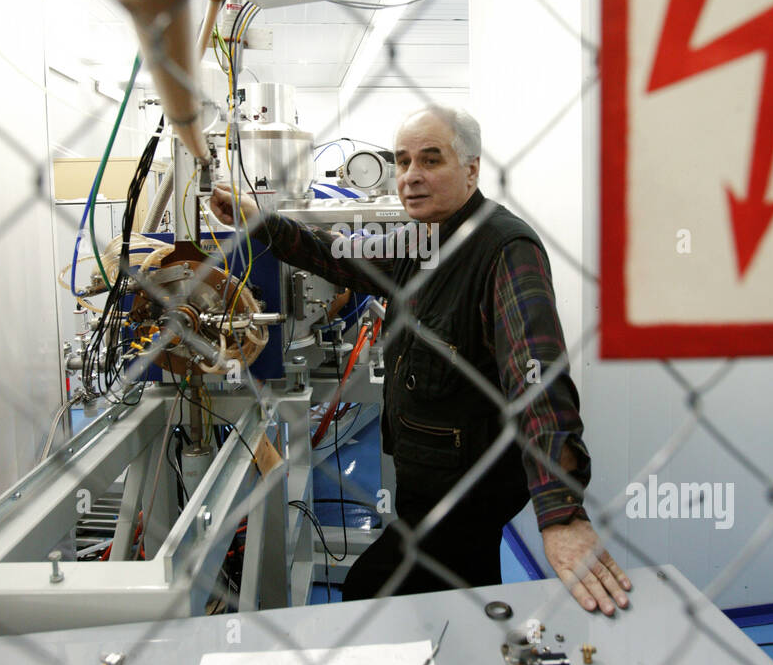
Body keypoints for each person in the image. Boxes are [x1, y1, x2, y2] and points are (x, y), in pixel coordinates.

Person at [210, 106, 630, 615]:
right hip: (430, 474)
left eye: (431, 160)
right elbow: (339, 257)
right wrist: (264, 224)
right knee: (463, 592)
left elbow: (537, 378)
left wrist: (560, 514)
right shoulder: (422, 239)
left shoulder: (503, 249)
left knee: (372, 588)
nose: (411, 176)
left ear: (471, 169)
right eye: (403, 161)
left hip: (469, 483)